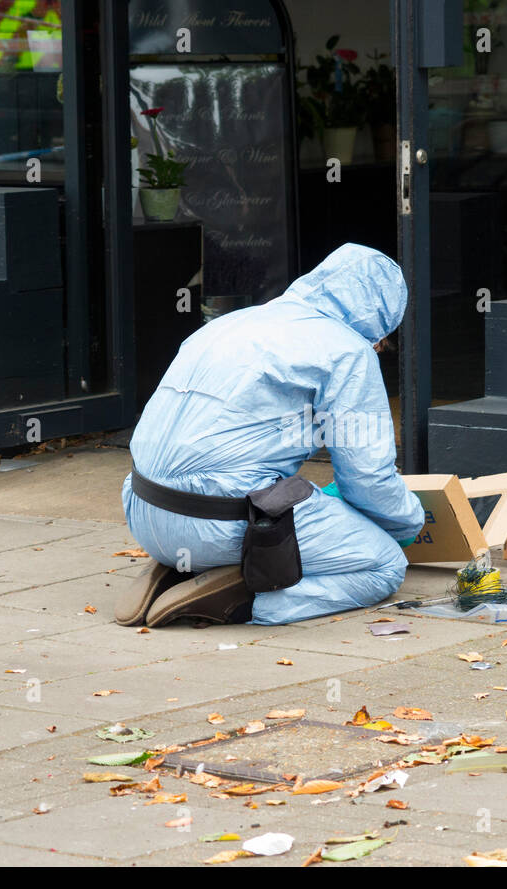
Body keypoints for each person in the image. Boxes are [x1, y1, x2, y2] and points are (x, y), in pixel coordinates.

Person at [115, 243, 425, 628]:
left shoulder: (232, 322)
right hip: (219, 524)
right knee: (383, 565)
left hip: (143, 508)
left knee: (269, 492)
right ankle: (243, 595)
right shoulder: (347, 351)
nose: (377, 348)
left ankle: (181, 568)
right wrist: (410, 524)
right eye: (382, 340)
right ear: (377, 318)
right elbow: (368, 479)